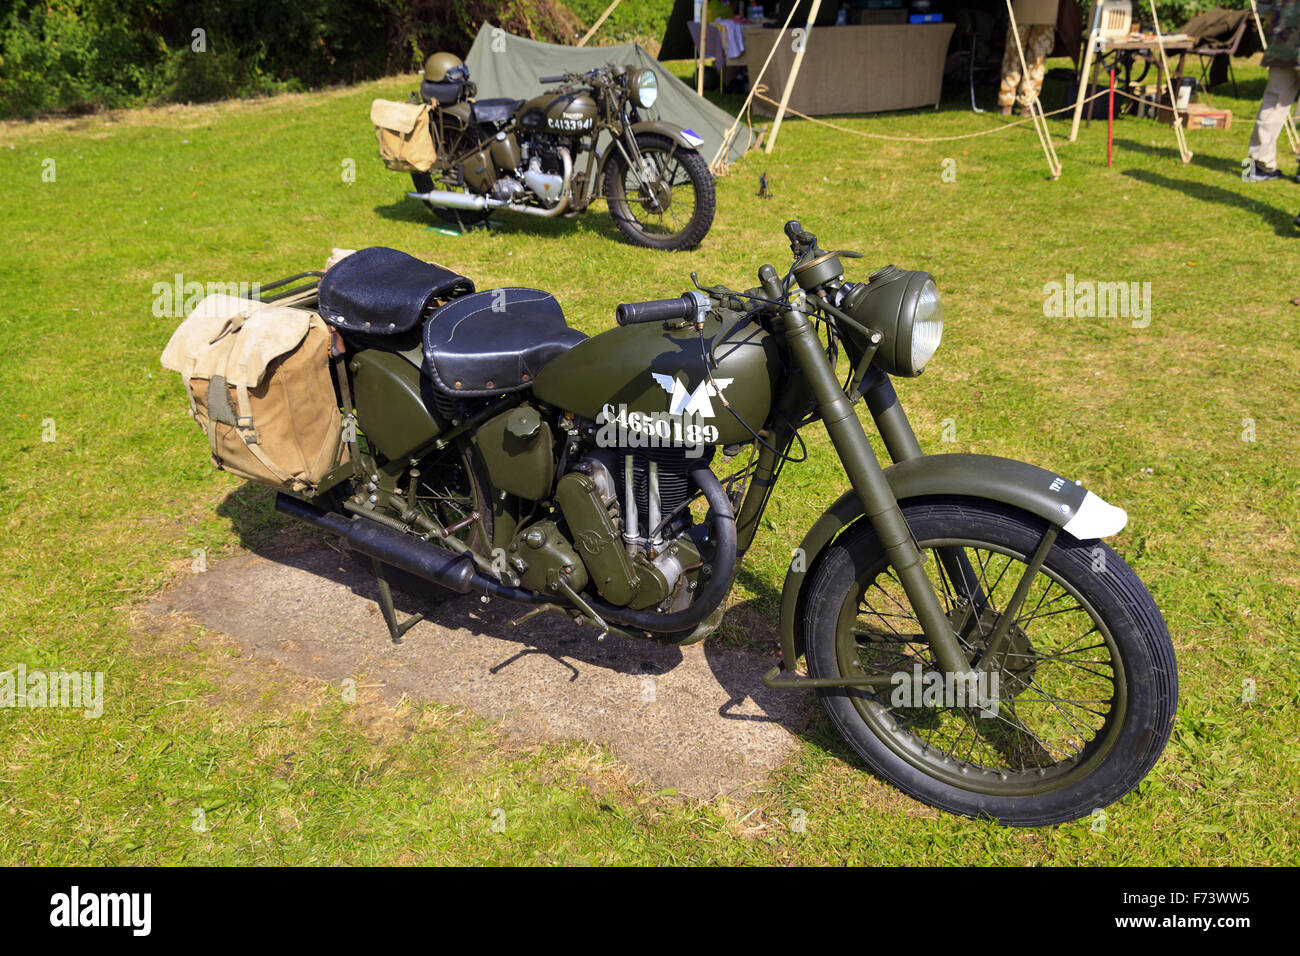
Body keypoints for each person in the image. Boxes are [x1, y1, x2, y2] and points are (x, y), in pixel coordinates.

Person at [1243, 0, 1300, 182]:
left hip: (1283, 42)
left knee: (1273, 102)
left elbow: (1265, 9)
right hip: (1284, 40)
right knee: (1274, 101)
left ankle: (1258, 165)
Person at [999, 0, 1060, 116]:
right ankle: (1023, 103)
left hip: (1036, 10)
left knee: (1018, 55)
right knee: (1033, 58)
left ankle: (1011, 102)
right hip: (1039, 10)